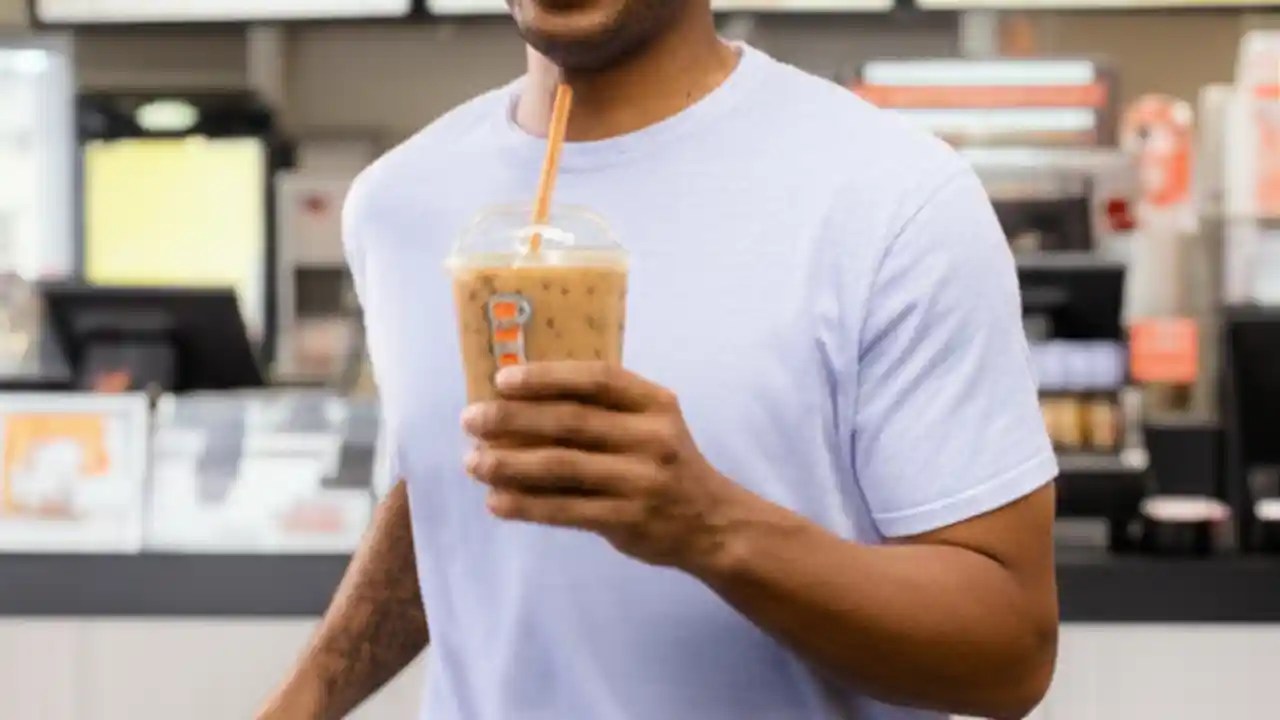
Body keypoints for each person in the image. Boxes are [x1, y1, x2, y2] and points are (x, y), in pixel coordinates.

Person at [259, 0, 1060, 717]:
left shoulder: (891, 198)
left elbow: (1010, 654)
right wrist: (305, 699)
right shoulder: (399, 204)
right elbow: (445, 497)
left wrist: (710, 526)